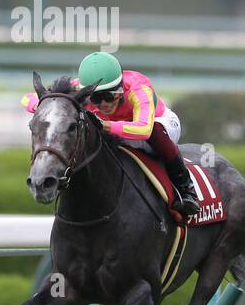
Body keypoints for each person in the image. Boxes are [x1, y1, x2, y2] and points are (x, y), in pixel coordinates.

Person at [23, 51, 201, 216]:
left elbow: (144, 129)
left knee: (155, 131)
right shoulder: (79, 88)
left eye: (109, 96)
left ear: (121, 88)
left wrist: (106, 126)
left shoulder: (139, 88)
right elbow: (26, 98)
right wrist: (42, 105)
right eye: (96, 98)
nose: (103, 104)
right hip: (116, 130)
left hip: (157, 126)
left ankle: (186, 188)